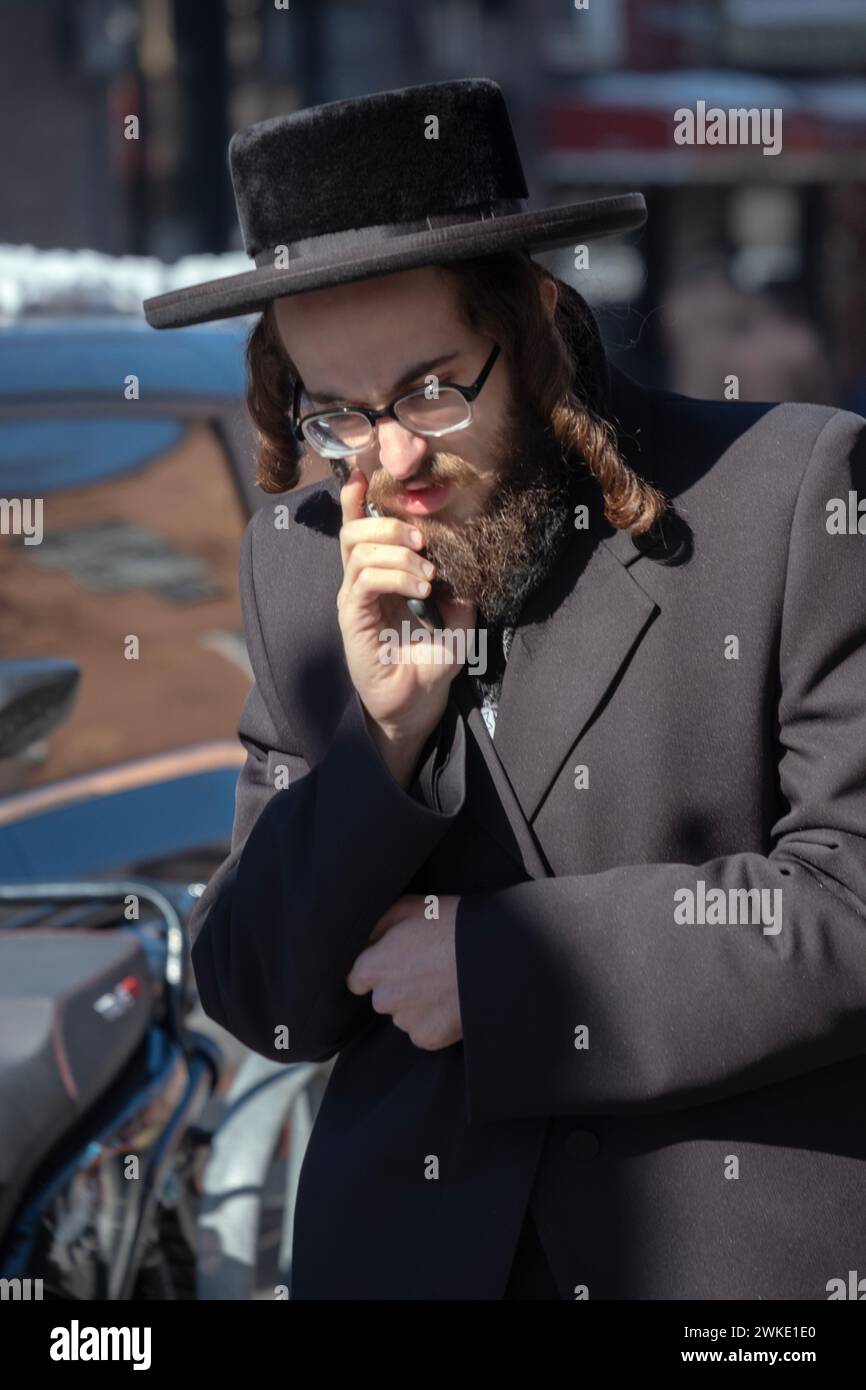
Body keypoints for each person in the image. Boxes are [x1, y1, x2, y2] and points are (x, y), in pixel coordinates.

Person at [144, 79, 866, 1301]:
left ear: (533, 323)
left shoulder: (785, 490)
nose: (392, 459)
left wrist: (501, 967)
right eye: (337, 414)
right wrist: (379, 744)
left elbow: (849, 900)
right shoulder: (303, 554)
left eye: (432, 388)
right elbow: (259, 999)